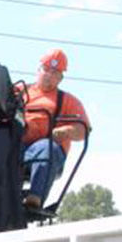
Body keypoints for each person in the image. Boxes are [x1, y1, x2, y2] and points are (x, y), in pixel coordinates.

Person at [18, 49, 90, 209]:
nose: (49, 75)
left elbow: (83, 129)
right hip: (16, 147)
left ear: (60, 79)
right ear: (38, 70)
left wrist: (66, 131)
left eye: (55, 73)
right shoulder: (19, 91)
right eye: (46, 70)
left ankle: (35, 197)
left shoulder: (68, 101)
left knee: (47, 147)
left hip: (43, 151)